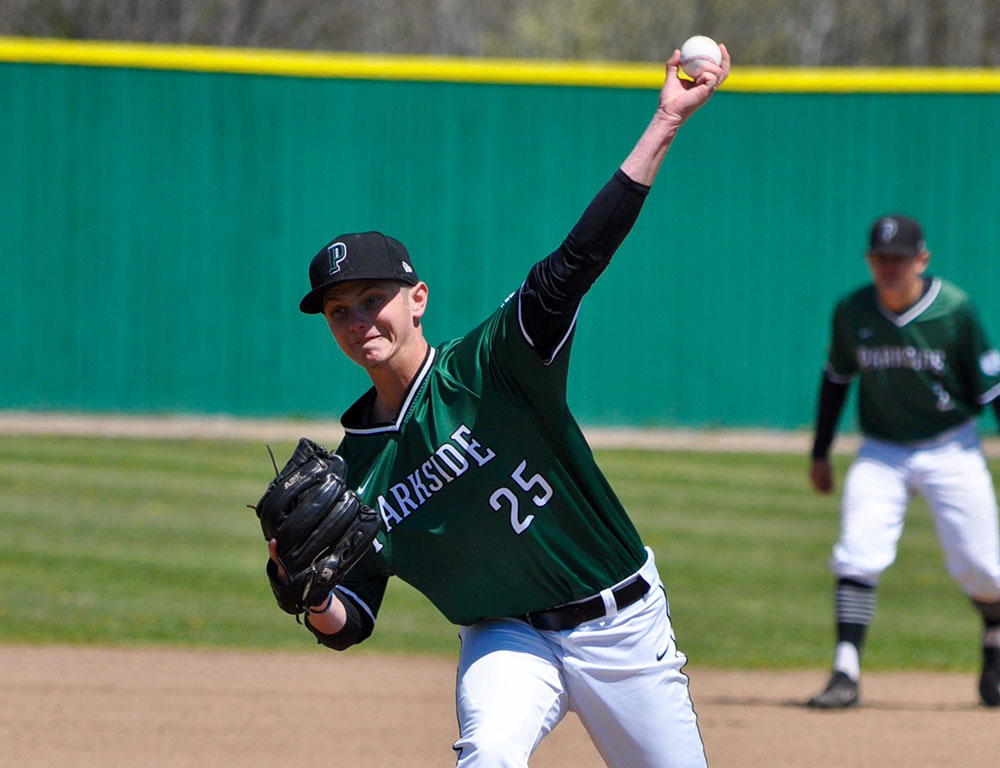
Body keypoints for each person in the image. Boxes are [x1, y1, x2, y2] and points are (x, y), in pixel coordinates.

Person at [266, 45, 729, 767]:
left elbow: (575, 263)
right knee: (487, 756)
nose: (359, 322)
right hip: (504, 636)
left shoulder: (491, 365)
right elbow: (349, 621)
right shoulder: (354, 471)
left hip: (620, 624)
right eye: (339, 311)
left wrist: (666, 120)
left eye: (372, 300)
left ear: (417, 300)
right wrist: (306, 590)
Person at [807, 213, 1000, 709]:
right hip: (882, 450)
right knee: (858, 550)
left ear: (921, 259)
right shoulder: (853, 311)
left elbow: (991, 385)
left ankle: (994, 644)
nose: (889, 267)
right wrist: (820, 452)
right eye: (880, 258)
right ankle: (845, 671)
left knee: (984, 569)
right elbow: (835, 380)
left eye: (899, 258)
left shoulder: (954, 310)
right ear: (870, 261)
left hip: (949, 446)